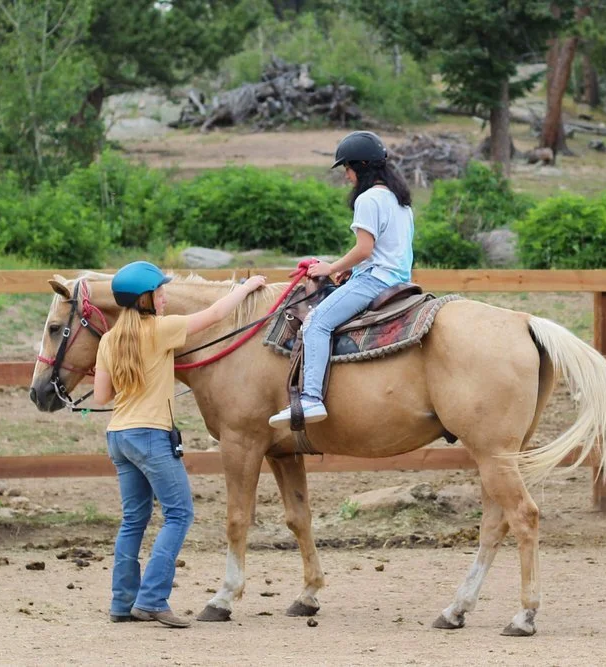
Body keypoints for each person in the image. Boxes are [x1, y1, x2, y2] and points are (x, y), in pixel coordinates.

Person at [94, 261, 266, 626]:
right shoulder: (162, 329)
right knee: (180, 514)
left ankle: (122, 602)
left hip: (118, 436)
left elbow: (102, 394)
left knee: (133, 521)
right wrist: (247, 288)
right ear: (145, 300)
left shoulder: (109, 340)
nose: (164, 296)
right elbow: (216, 313)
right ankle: (153, 599)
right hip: (151, 435)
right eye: (159, 292)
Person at [269, 130, 414, 427]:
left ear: (359, 167)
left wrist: (330, 267)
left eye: (347, 168)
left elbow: (365, 248)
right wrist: (351, 268)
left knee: (316, 322)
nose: (346, 176)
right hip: (400, 279)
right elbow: (386, 249)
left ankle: (310, 399)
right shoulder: (399, 200)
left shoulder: (369, 199)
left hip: (377, 280)